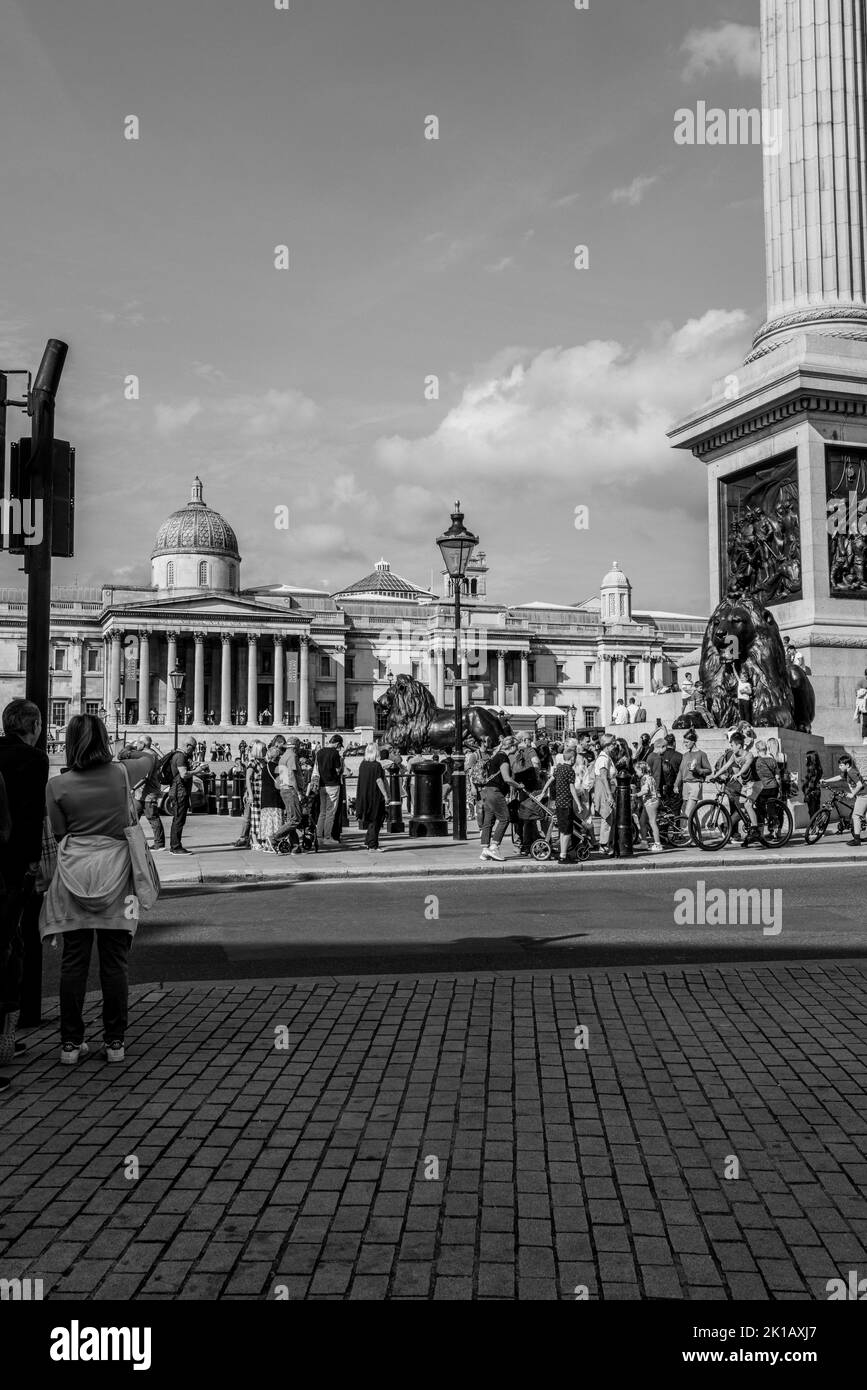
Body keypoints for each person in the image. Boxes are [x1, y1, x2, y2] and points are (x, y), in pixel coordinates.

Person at [40, 714, 157, 1065]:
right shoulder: (123, 773)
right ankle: (115, 1041)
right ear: (105, 740)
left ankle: (70, 1045)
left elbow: (61, 834)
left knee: (74, 961)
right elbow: (150, 760)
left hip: (74, 873)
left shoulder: (57, 786)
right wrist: (133, 750)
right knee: (115, 962)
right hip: (119, 873)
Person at [0, 699, 49, 1079]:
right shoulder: (34, 760)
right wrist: (35, 862)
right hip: (14, 865)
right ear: (32, 726)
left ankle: (6, 1033)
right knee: (10, 948)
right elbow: (32, 815)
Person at [479, 735, 523, 862]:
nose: (518, 750)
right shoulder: (503, 757)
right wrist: (518, 786)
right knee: (505, 818)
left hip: (486, 791)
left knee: (489, 820)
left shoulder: (495, 756)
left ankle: (485, 850)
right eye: (517, 747)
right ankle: (494, 846)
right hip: (495, 792)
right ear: (512, 746)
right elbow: (507, 778)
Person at [118, 735, 164, 851]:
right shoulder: (148, 754)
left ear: (143, 744)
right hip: (141, 793)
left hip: (148, 793)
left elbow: (145, 777)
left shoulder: (149, 756)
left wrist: (132, 788)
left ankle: (159, 844)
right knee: (133, 816)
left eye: (138, 743)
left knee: (153, 818)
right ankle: (130, 841)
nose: (136, 745)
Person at [539, 747, 583, 863]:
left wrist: (543, 792)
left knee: (563, 830)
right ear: (572, 758)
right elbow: (572, 788)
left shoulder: (559, 768)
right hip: (566, 804)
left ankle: (563, 854)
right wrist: (578, 804)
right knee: (567, 831)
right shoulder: (570, 770)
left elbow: (550, 780)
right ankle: (563, 856)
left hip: (559, 804)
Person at [821, 754, 867, 847]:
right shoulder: (847, 772)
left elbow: (859, 785)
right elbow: (839, 777)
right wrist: (826, 781)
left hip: (863, 795)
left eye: (841, 765)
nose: (839, 767)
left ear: (847, 765)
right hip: (863, 795)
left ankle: (857, 840)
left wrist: (852, 794)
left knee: (856, 816)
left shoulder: (851, 772)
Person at [674, 729, 712, 823]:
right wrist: (676, 784)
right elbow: (680, 771)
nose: (685, 744)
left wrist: (698, 770)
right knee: (692, 814)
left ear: (693, 741)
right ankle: (697, 835)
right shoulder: (685, 755)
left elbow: (709, 770)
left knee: (688, 813)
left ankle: (687, 835)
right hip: (685, 785)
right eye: (684, 742)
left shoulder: (701, 754)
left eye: (686, 742)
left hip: (695, 784)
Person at [168, 736, 198, 855]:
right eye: (193, 748)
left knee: (178, 819)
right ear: (187, 745)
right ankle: (175, 847)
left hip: (179, 791)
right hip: (179, 792)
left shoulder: (181, 756)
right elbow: (184, 774)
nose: (194, 751)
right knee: (179, 819)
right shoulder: (180, 756)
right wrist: (198, 771)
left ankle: (175, 846)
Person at [356, 743, 389, 851]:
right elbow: (379, 781)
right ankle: (373, 845)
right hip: (375, 796)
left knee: (371, 820)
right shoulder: (376, 765)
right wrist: (386, 795)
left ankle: (368, 841)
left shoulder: (363, 764)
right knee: (376, 821)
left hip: (364, 796)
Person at [313, 735, 344, 843]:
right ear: (337, 743)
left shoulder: (319, 752)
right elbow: (337, 770)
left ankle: (318, 836)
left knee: (322, 812)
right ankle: (327, 837)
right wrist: (342, 765)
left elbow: (316, 768)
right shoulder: (335, 753)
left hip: (322, 785)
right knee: (330, 813)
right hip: (333, 785)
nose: (339, 748)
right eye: (339, 745)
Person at [593, 735, 617, 856]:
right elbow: (603, 777)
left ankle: (607, 843)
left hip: (605, 789)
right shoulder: (603, 759)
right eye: (613, 743)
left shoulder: (606, 757)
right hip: (604, 790)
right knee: (607, 818)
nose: (615, 745)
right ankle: (604, 845)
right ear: (607, 745)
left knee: (609, 818)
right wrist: (609, 795)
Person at [634, 760, 663, 852]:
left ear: (642, 770)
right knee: (642, 822)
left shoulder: (644, 778)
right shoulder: (650, 777)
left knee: (652, 822)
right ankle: (644, 843)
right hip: (649, 802)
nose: (636, 773)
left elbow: (645, 790)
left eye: (637, 771)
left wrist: (635, 795)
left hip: (651, 802)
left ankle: (658, 844)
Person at [802, 750, 823, 819]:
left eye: (806, 757)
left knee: (812, 812)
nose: (805, 759)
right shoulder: (818, 767)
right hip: (817, 791)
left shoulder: (812, 769)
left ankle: (814, 828)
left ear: (810, 758)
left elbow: (811, 783)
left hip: (812, 793)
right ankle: (819, 827)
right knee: (816, 810)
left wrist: (806, 792)